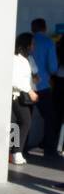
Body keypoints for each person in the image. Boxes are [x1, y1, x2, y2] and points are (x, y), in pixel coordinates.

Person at [28, 19, 57, 155]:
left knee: (22, 119)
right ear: (45, 28)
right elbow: (53, 67)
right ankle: (48, 147)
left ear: (32, 29)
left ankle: (17, 148)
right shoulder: (48, 42)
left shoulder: (26, 41)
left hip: (25, 87)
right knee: (49, 118)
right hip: (43, 85)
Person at [10, 31, 38, 166]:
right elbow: (14, 79)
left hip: (20, 95)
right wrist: (30, 91)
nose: (34, 46)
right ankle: (16, 152)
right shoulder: (16, 59)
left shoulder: (27, 59)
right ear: (26, 45)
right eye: (32, 44)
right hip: (16, 95)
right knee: (25, 122)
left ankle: (13, 152)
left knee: (15, 124)